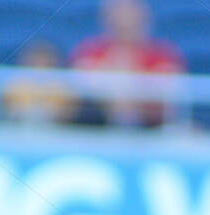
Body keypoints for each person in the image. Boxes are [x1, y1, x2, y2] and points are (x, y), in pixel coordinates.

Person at [68, 0, 183, 128]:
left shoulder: (163, 55)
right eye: (118, 16)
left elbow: (166, 96)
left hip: (151, 130)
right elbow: (83, 89)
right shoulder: (89, 52)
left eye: (130, 15)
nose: (125, 22)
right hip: (97, 128)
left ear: (143, 19)